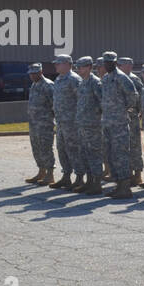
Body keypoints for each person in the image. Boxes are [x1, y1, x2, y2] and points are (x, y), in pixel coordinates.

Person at [100, 52, 138, 199]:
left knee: (121, 155)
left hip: (119, 123)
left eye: (110, 62)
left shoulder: (122, 78)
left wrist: (122, 109)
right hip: (108, 123)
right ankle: (118, 185)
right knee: (110, 155)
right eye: (106, 62)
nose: (107, 65)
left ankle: (125, 188)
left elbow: (133, 97)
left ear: (115, 63)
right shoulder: (106, 78)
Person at [48, 55, 82, 189]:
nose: (56, 66)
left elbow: (81, 99)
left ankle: (79, 177)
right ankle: (66, 176)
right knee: (62, 149)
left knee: (74, 149)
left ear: (68, 64)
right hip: (61, 122)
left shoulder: (74, 79)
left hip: (72, 122)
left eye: (58, 63)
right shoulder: (58, 79)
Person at [72, 57, 105, 194]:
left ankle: (97, 184)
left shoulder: (95, 83)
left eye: (81, 67)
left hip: (93, 126)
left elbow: (102, 102)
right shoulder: (82, 83)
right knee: (85, 154)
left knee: (94, 154)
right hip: (82, 125)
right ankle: (89, 181)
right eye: (78, 67)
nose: (78, 69)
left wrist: (96, 118)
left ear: (89, 67)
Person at [25, 62, 55, 186]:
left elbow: (55, 104)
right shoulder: (34, 85)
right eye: (30, 74)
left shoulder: (48, 85)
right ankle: (41, 171)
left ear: (40, 72)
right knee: (36, 148)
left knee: (45, 148)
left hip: (44, 124)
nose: (32, 76)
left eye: (34, 73)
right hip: (34, 124)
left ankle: (50, 174)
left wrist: (51, 120)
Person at [119, 58, 144, 184]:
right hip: (122, 117)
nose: (119, 67)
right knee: (125, 146)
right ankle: (128, 173)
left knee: (134, 146)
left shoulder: (134, 79)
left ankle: (137, 174)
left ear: (129, 66)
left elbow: (140, 98)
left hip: (132, 117)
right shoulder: (119, 78)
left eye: (121, 65)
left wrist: (138, 112)